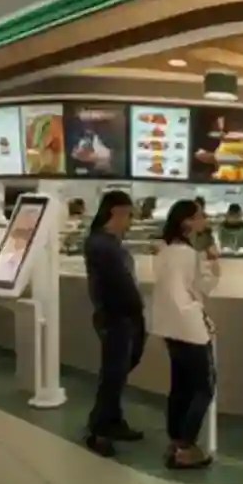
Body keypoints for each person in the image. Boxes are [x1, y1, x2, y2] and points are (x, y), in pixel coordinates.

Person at [152, 199, 221, 469]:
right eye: (200, 216)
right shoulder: (190, 255)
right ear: (187, 222)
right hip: (189, 326)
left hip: (168, 326)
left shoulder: (165, 251)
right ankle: (185, 445)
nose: (205, 220)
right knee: (204, 387)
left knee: (180, 387)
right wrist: (213, 261)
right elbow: (205, 286)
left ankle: (175, 439)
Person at [83, 190, 148, 457]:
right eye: (129, 215)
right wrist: (137, 311)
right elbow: (120, 285)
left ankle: (113, 421)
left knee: (117, 373)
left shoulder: (104, 242)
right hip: (117, 317)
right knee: (113, 375)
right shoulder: (104, 245)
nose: (130, 221)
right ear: (117, 212)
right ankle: (98, 429)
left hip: (115, 317)